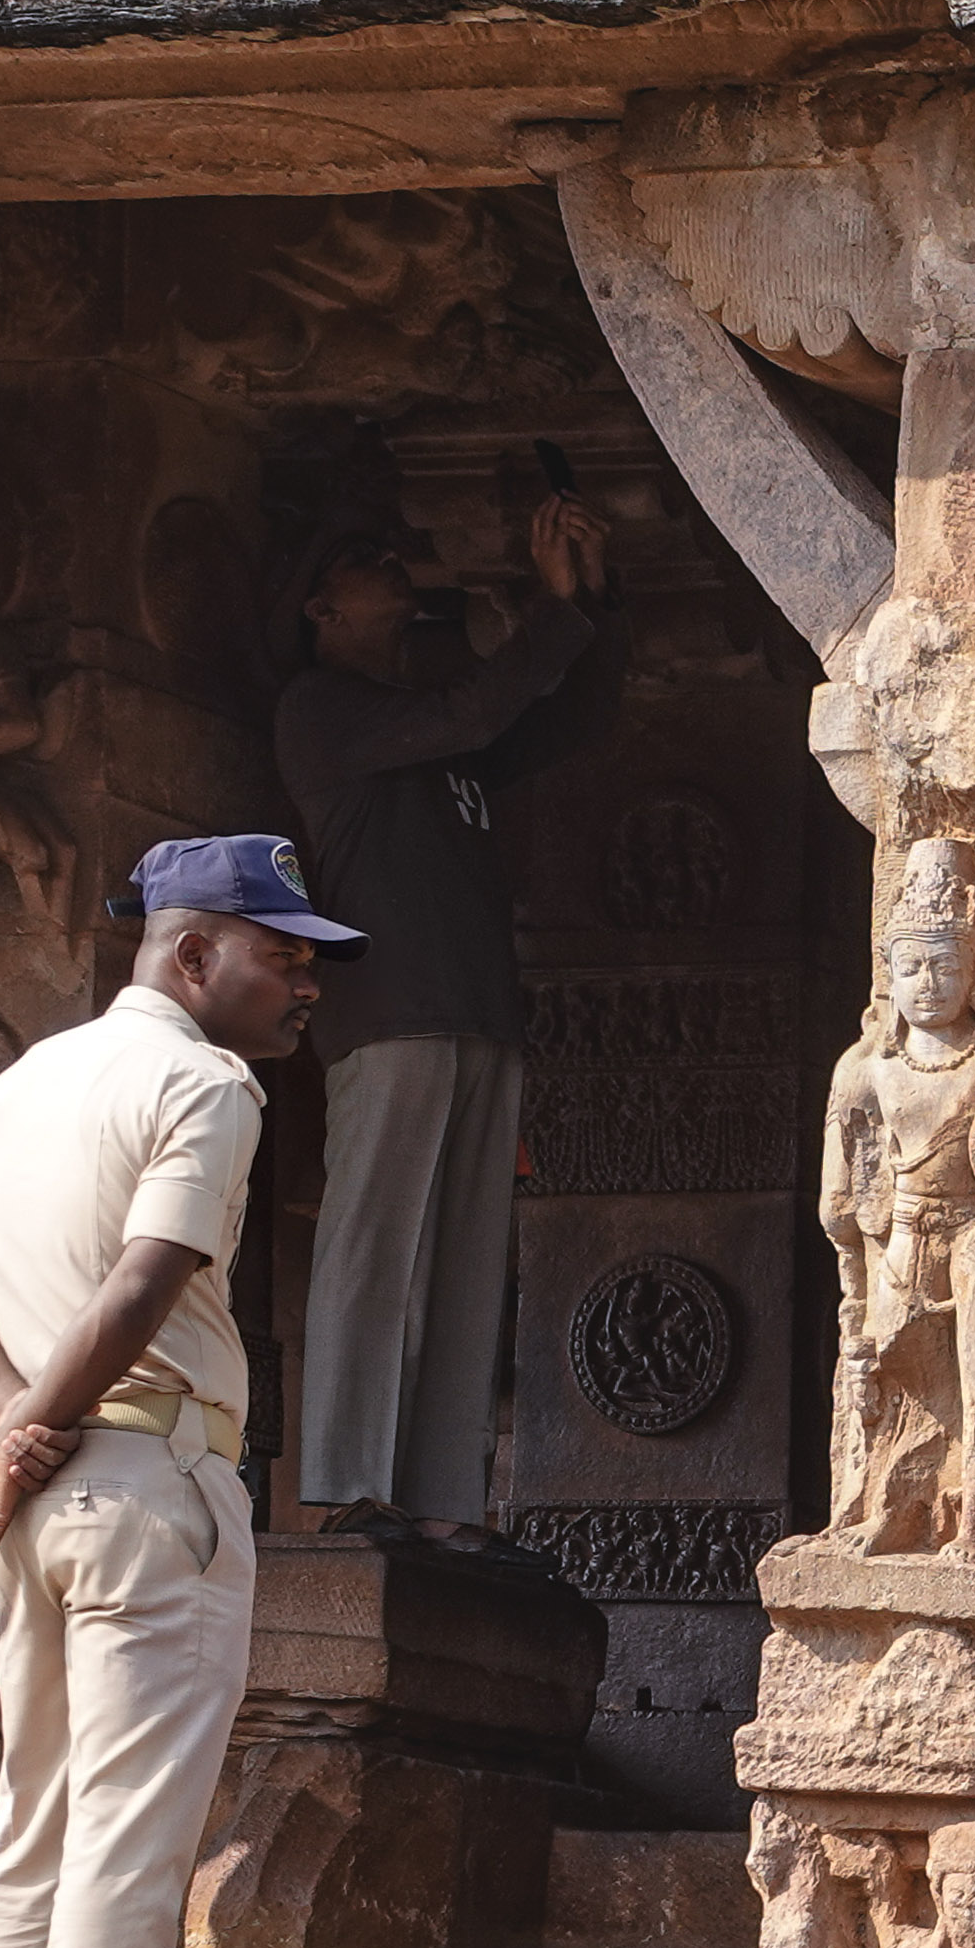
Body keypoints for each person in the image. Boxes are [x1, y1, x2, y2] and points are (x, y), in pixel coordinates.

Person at [0, 838, 354, 1948]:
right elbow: (150, 1277)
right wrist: (31, 1430)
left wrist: (10, 1432)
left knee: (31, 1814)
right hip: (148, 1477)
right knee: (124, 1830)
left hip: (31, 1501)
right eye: (284, 958)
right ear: (194, 953)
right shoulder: (202, 1084)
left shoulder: (19, 1085)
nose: (306, 990)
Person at [271, 490, 610, 1554]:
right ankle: (346, 1481)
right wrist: (550, 612)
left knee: (467, 1261)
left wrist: (590, 602)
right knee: (375, 1245)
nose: (397, 565)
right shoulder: (320, 710)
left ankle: (444, 1501)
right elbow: (470, 710)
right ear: (321, 606)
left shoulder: (440, 736)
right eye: (369, 556)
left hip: (474, 1007)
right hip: (390, 1012)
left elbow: (565, 719)